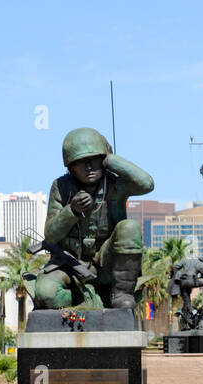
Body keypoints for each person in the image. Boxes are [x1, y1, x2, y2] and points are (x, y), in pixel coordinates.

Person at [29, 127, 154, 310]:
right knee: (46, 295)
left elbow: (147, 184)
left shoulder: (114, 183)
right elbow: (51, 235)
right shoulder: (61, 187)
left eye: (94, 160)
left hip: (106, 263)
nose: (89, 167)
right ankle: (82, 297)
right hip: (69, 264)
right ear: (71, 167)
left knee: (129, 227)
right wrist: (71, 210)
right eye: (81, 163)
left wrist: (112, 160)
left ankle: (121, 294)